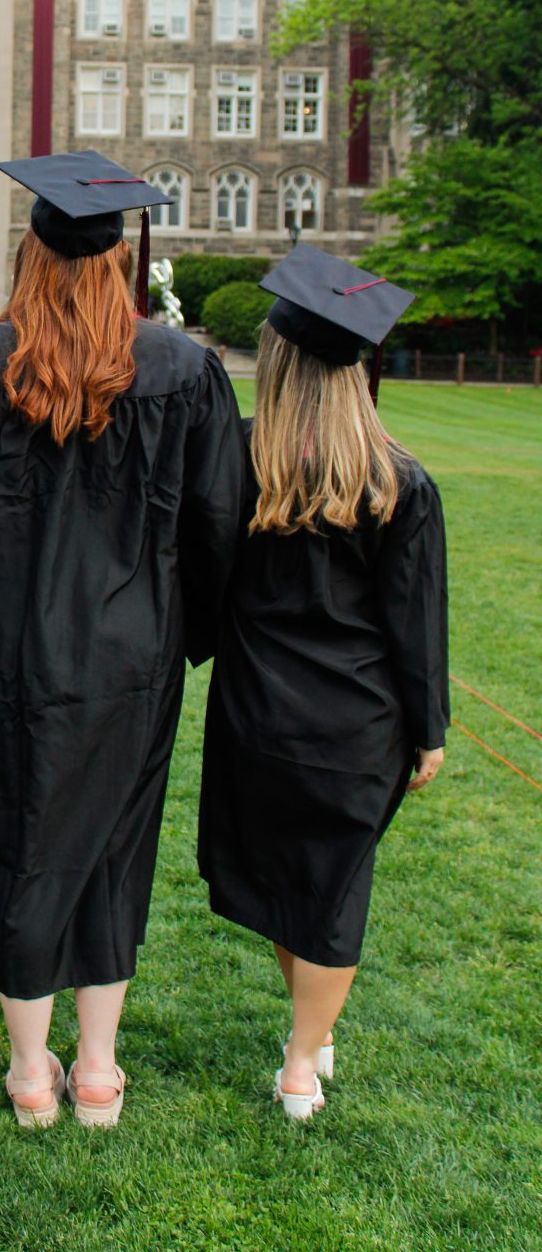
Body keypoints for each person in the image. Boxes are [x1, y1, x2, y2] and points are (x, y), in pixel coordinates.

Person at [0, 152, 245, 1130]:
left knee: (18, 839)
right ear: (118, 261)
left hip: (6, 649)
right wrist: (195, 626)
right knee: (114, 847)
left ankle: (31, 1069)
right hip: (133, 652)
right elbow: (219, 520)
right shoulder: (185, 370)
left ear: (34, 254)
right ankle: (95, 1068)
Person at [198, 244, 448, 1121]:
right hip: (359, 724)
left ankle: (312, 1034)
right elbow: (416, 625)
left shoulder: (237, 459)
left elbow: (204, 583)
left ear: (275, 363)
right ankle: (304, 1059)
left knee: (284, 880)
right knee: (329, 889)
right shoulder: (396, 480)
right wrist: (430, 730)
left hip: (256, 712)